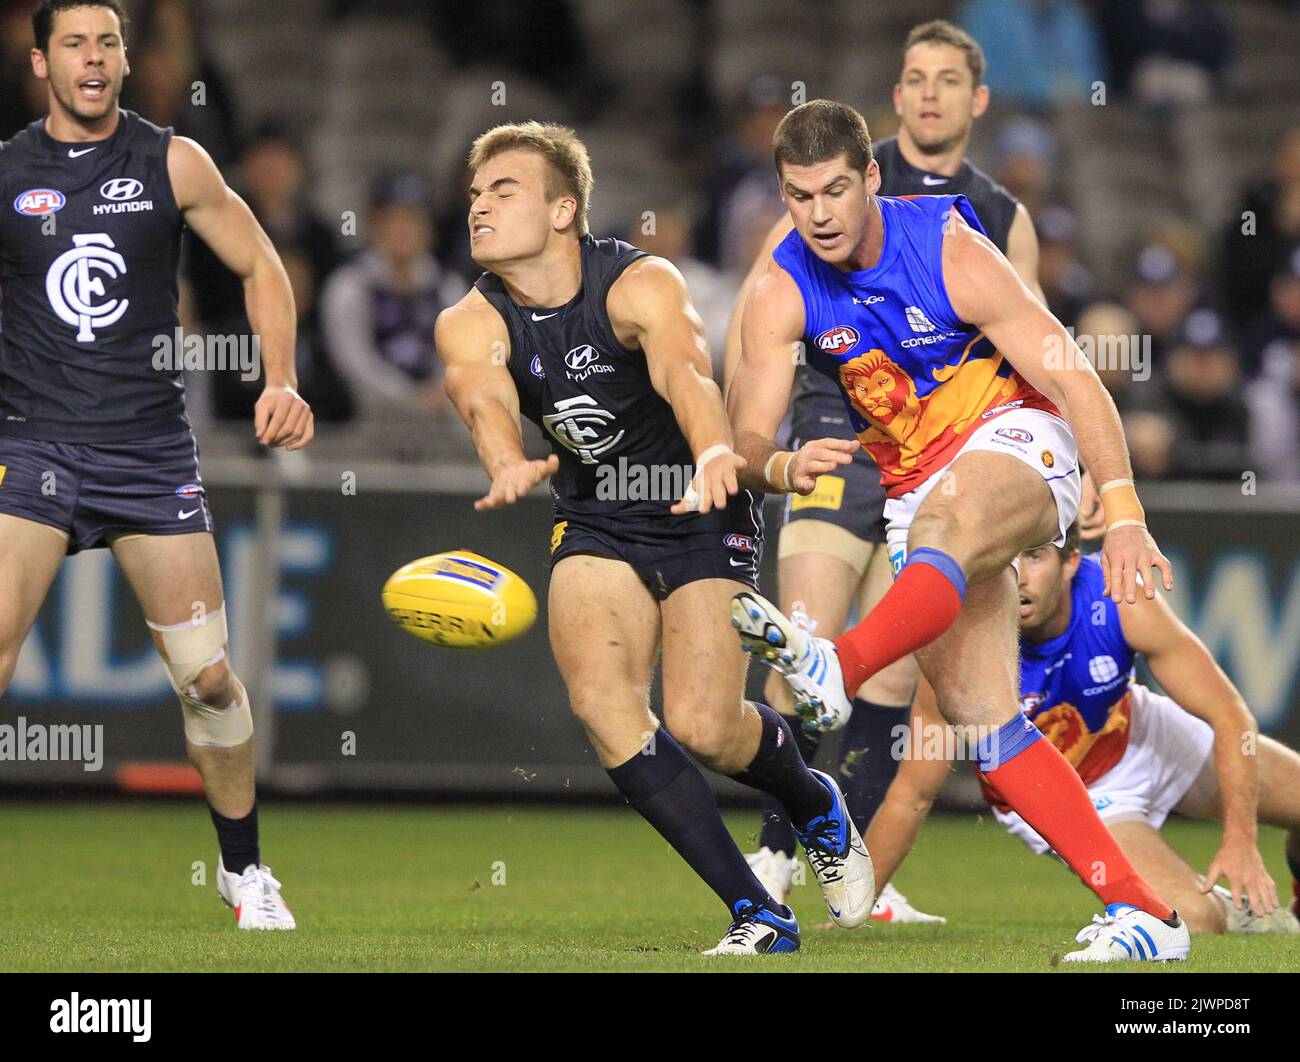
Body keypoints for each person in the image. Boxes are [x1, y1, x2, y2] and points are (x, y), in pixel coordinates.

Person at [727, 97, 1189, 962]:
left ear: (871, 178)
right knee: (987, 723)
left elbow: (1075, 375)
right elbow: (745, 435)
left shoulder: (949, 246)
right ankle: (1147, 919)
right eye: (799, 196)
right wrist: (779, 465)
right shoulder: (781, 287)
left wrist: (1122, 506)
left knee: (941, 523)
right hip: (914, 489)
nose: (819, 214)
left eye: (835, 190)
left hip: (1019, 442)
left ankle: (839, 663)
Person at [435, 121, 873, 955]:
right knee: (606, 708)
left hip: (696, 504)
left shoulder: (638, 282)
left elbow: (685, 373)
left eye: (504, 191)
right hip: (594, 514)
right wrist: (504, 459)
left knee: (707, 727)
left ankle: (813, 801)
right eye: (474, 195)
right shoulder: (469, 318)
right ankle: (760, 913)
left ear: (564, 210)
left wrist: (715, 450)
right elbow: (484, 397)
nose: (479, 207)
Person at [0, 0, 311, 928]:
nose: (92, 58)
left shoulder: (174, 160)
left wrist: (282, 378)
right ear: (40, 62)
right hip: (31, 448)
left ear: (126, 60)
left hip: (148, 453)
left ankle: (244, 872)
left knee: (209, 678)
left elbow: (260, 266)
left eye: (107, 43)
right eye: (73, 45)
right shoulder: (8, 173)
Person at [726, 19, 1042, 924]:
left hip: (942, 452)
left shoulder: (996, 214)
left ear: (976, 101)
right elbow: (764, 306)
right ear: (895, 98)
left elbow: (1031, 341)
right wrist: (744, 443)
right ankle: (774, 855)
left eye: (949, 79)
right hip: (837, 433)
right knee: (807, 639)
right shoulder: (847, 177)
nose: (931, 93)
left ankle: (850, 860)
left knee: (897, 680)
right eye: (915, 78)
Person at [995, 524, 1300, 933]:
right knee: (1196, 918)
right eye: (1006, 558)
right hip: (1075, 793)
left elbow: (1230, 715)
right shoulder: (968, 629)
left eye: (1035, 555)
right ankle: (1223, 907)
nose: (1020, 575)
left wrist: (1241, 840)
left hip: (1143, 732)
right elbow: (913, 790)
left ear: (1069, 562)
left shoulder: (1115, 592)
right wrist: (880, 893)